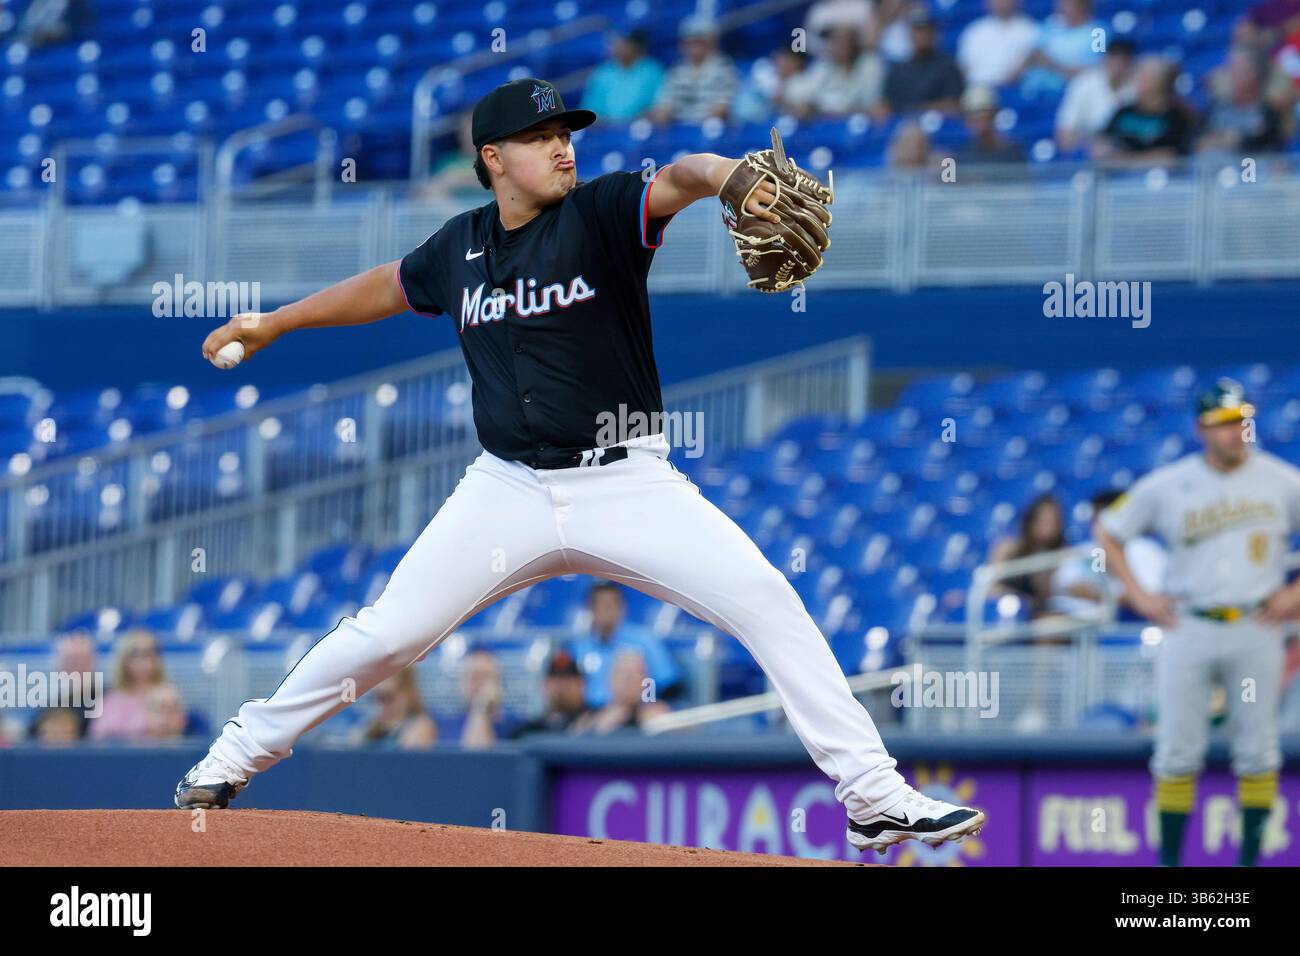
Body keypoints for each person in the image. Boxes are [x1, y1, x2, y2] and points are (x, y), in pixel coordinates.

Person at [180, 75, 983, 855]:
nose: (563, 150)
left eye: (566, 136)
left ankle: (873, 798)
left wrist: (732, 174)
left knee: (766, 599)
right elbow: (388, 286)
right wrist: (277, 323)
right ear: (494, 157)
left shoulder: (599, 214)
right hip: (506, 488)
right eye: (542, 138)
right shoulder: (459, 248)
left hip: (626, 481)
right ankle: (233, 758)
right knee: (387, 635)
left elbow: (680, 178)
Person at [1095, 379, 1300, 867]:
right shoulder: (1170, 483)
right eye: (1224, 424)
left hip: (1256, 624)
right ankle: (1170, 871)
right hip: (1188, 624)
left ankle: (1248, 866)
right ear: (1202, 429)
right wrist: (1140, 595)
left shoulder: (1281, 479)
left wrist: (1295, 593)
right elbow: (1108, 530)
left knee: (1257, 750)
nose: (1236, 432)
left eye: (1240, 421)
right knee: (1176, 752)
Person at [1050, 489, 1166, 617]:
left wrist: (1103, 595)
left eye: (1104, 518)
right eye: (1096, 519)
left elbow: (1152, 594)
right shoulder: (1088, 549)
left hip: (1132, 621)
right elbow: (1064, 582)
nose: (1100, 525)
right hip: (1084, 623)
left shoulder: (1144, 549)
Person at [568, 581, 681, 708]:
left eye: (610, 605)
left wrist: (648, 701)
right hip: (591, 713)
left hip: (637, 710)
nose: (606, 611)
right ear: (590, 609)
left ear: (622, 607)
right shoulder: (579, 647)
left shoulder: (645, 641)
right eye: (601, 605)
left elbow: (667, 683)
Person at [1094, 56, 1195, 166]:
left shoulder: (1178, 117)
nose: (1137, 81)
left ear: (1161, 82)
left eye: (1144, 77)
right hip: (1116, 177)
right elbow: (1102, 140)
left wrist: (1124, 159)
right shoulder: (1124, 111)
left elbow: (1171, 157)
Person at [90, 629, 181, 743]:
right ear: (124, 659)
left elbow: (173, 731)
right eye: (137, 654)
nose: (145, 660)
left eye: (151, 653)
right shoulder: (111, 699)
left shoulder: (167, 695)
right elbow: (98, 736)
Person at [989, 493, 1067, 618]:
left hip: (1036, 616)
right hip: (1004, 610)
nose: (1050, 525)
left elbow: (1049, 596)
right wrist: (1017, 598)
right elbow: (991, 587)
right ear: (1032, 521)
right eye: (1045, 520)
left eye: (1055, 520)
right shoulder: (1008, 548)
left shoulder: (1062, 554)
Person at [1198, 45, 1286, 154]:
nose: (1229, 74)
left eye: (1235, 69)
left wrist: (1239, 140)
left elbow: (1271, 147)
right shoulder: (1215, 108)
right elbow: (1195, 142)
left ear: (1253, 74)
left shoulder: (1266, 113)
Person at [783, 26, 886, 119]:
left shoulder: (869, 65)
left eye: (842, 43)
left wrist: (825, 109)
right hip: (830, 121)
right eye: (834, 42)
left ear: (854, 44)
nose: (837, 47)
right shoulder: (825, 66)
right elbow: (801, 90)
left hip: (861, 121)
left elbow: (871, 103)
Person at [650, 17, 738, 124]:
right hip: (678, 131)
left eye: (698, 41)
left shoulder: (725, 69)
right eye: (688, 41)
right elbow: (662, 107)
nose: (693, 46)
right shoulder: (676, 72)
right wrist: (663, 116)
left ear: (711, 42)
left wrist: (695, 134)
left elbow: (721, 110)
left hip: (710, 132)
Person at [879, 8, 965, 118]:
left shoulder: (948, 67)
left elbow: (953, 105)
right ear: (910, 34)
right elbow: (884, 104)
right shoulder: (899, 69)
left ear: (934, 34)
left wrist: (919, 109)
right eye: (917, 30)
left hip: (934, 125)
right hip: (900, 124)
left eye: (925, 31)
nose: (921, 36)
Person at [1055, 39, 1137, 152]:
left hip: (1126, 151)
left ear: (1130, 64)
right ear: (1104, 60)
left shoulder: (1139, 86)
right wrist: (1091, 145)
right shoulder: (1083, 83)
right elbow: (1064, 132)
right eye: (1113, 60)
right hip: (1089, 150)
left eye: (1123, 63)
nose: (1117, 68)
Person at [572, 650, 671, 734]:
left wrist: (658, 724)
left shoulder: (658, 715)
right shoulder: (589, 719)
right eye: (621, 673)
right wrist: (600, 726)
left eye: (634, 674)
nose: (627, 680)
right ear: (609, 680)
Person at [1019, 0, 1103, 99]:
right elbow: (1034, 54)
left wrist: (1054, 65)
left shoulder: (1098, 33)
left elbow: (1094, 72)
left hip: (1071, 94)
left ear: (1082, 6)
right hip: (1034, 91)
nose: (1060, 7)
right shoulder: (1051, 25)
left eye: (1067, 4)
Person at [581, 29, 664, 123]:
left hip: (640, 128)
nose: (616, 46)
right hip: (605, 130)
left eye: (623, 41)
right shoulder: (602, 72)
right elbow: (590, 109)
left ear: (635, 45)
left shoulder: (653, 71)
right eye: (614, 41)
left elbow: (658, 107)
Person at [438, 649, 515, 749]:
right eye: (474, 677)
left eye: (486, 677)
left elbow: (480, 757)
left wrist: (481, 707)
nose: (480, 685)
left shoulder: (513, 725)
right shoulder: (445, 725)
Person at [507, 648, 590, 737]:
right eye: (556, 678)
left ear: (582, 684)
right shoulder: (531, 730)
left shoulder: (594, 723)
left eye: (568, 679)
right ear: (544, 685)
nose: (562, 685)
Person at [957, 0, 1040, 89]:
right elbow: (963, 67)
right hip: (977, 89)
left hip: (1014, 88)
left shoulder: (1031, 30)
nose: (1000, 2)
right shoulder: (974, 31)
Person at [355, 668, 437, 749]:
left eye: (388, 698)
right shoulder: (366, 728)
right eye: (379, 699)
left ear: (405, 689)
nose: (382, 706)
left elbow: (407, 759)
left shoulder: (420, 726)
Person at [955, 86, 1026, 166]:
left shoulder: (1013, 153)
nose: (978, 120)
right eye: (971, 115)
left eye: (983, 113)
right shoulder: (964, 156)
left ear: (994, 114)